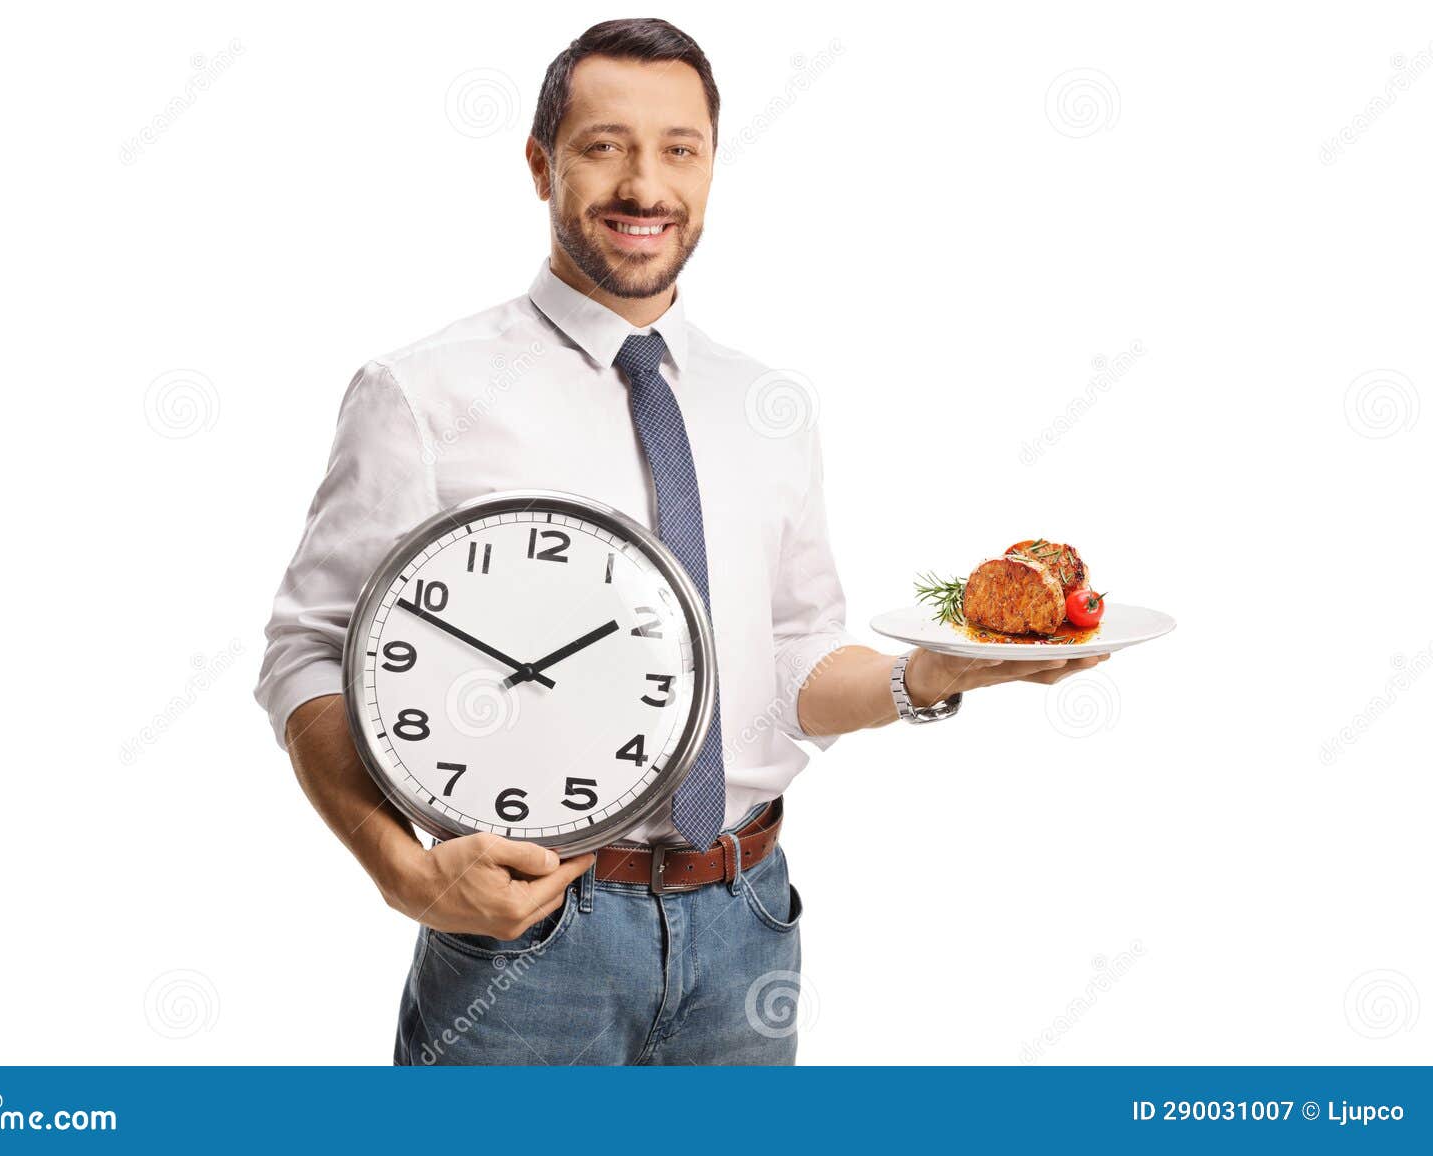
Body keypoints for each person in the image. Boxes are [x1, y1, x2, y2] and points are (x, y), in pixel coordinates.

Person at [254, 17, 1108, 1065]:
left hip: (746, 926)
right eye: (604, 144)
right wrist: (403, 871)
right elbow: (307, 651)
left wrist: (924, 675)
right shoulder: (424, 393)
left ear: (709, 167)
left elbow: (788, 658)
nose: (643, 186)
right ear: (540, 164)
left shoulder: (768, 404)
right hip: (529, 935)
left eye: (678, 149)